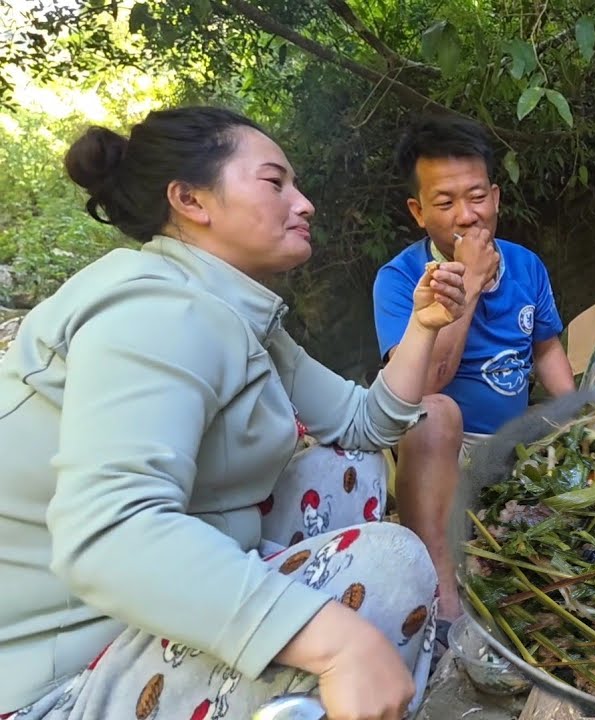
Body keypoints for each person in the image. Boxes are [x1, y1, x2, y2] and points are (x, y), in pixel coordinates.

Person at [0, 107, 467, 720]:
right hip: (66, 681)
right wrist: (335, 642)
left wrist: (423, 325)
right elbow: (107, 534)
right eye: (275, 183)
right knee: (389, 566)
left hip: (148, 619)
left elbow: (365, 425)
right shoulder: (156, 314)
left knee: (344, 466)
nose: (304, 204)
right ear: (192, 200)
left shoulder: (237, 316)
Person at [372, 115, 575, 620]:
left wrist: (576, 415)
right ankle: (444, 606)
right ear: (418, 212)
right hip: (441, 450)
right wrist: (470, 285)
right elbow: (425, 382)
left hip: (513, 444)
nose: (467, 216)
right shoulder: (398, 281)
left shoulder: (527, 265)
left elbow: (547, 347)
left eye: (477, 196)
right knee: (434, 410)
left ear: (497, 197)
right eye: (445, 202)